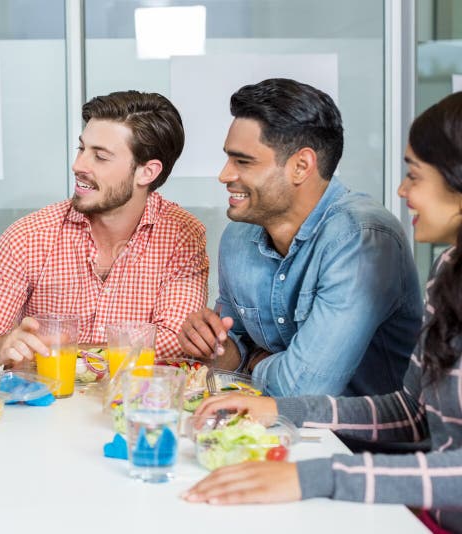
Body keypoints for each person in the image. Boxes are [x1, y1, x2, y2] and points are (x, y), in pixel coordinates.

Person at [182, 91, 462, 534]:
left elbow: (306, 381)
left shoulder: (363, 233)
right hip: (412, 502)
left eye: (414, 174)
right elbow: (411, 414)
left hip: (377, 476)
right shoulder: (449, 269)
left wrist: (314, 476)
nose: (401, 190)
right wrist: (273, 406)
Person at [177, 78, 423, 397]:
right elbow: (231, 352)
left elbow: (302, 389)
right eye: (228, 159)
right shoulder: (238, 236)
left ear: (301, 166)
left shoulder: (362, 239)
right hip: (270, 431)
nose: (225, 175)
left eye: (243, 161)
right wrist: (212, 347)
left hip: (360, 441)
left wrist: (254, 365)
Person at [0, 90, 208, 373]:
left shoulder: (182, 235)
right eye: (82, 149)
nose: (78, 165)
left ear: (147, 172)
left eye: (100, 156)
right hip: (44, 409)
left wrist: (60, 352)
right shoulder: (28, 236)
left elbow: (177, 341)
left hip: (131, 409)